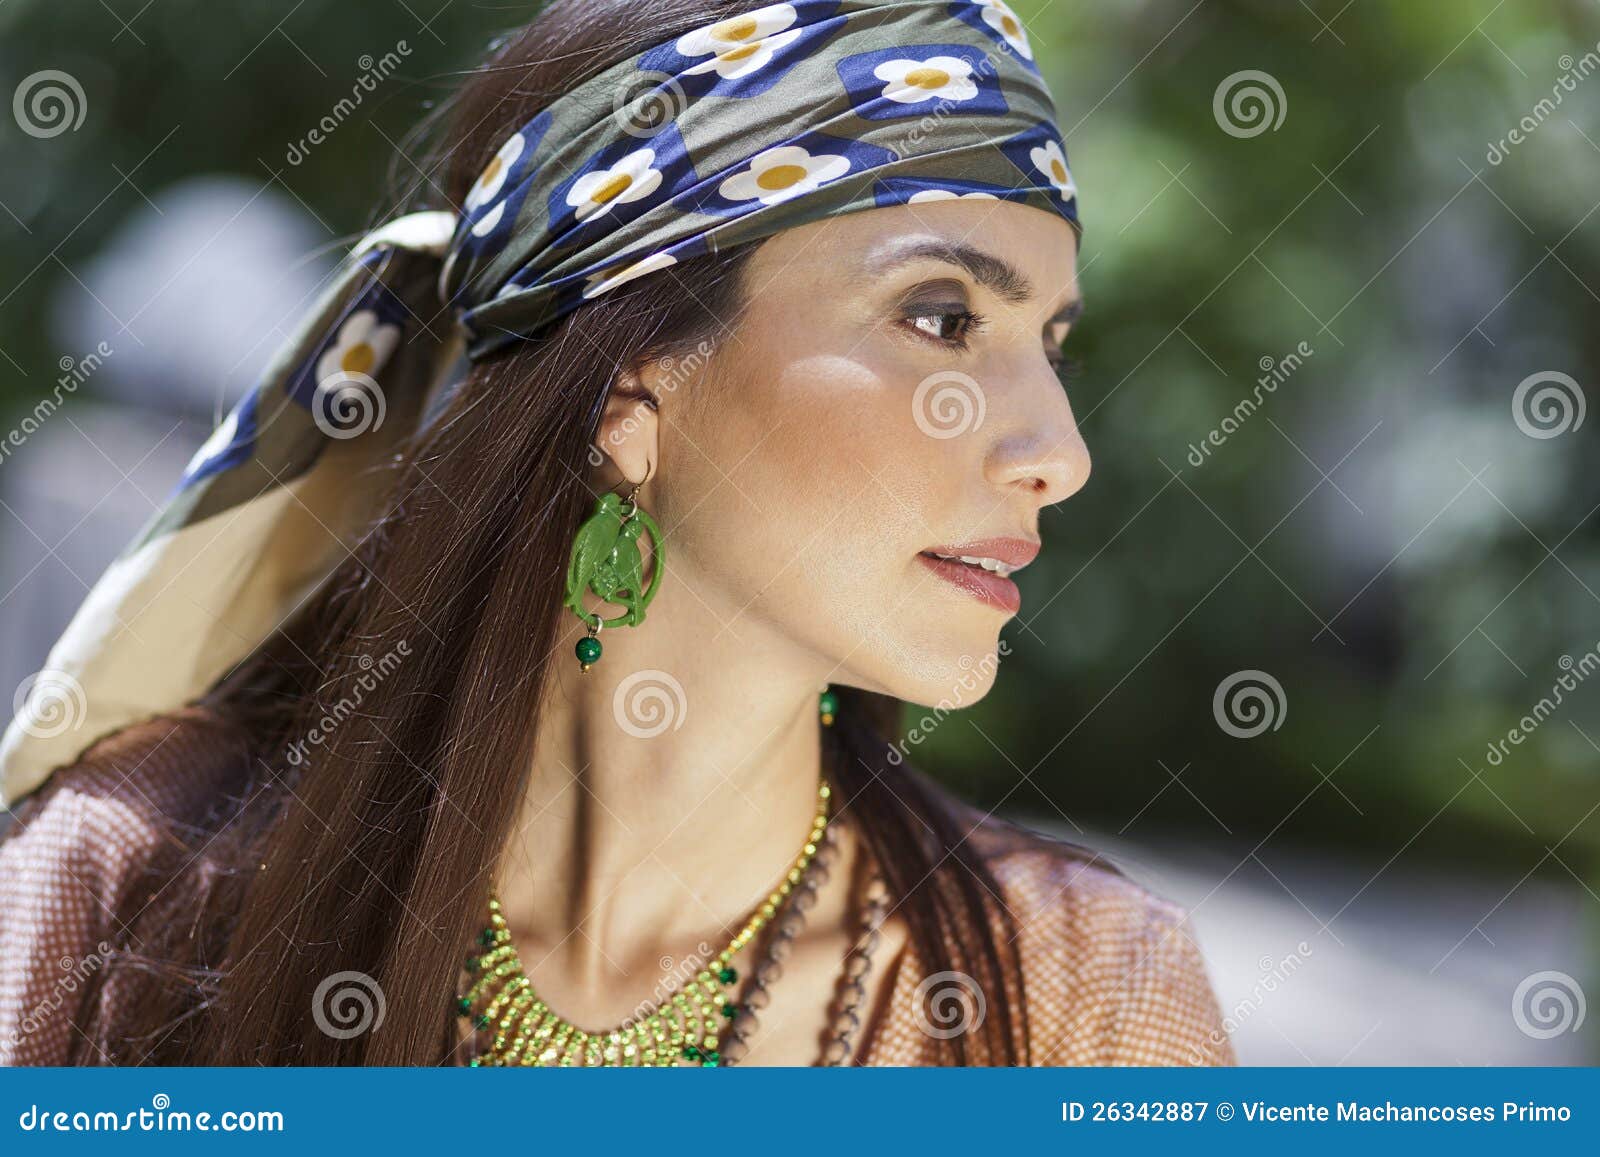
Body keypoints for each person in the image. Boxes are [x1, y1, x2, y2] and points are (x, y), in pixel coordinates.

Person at [0, 0, 1234, 1067]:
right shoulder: (125, 881)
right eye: (941, 317)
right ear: (632, 396)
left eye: (1050, 342)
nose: (1057, 453)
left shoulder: (1080, 1003)